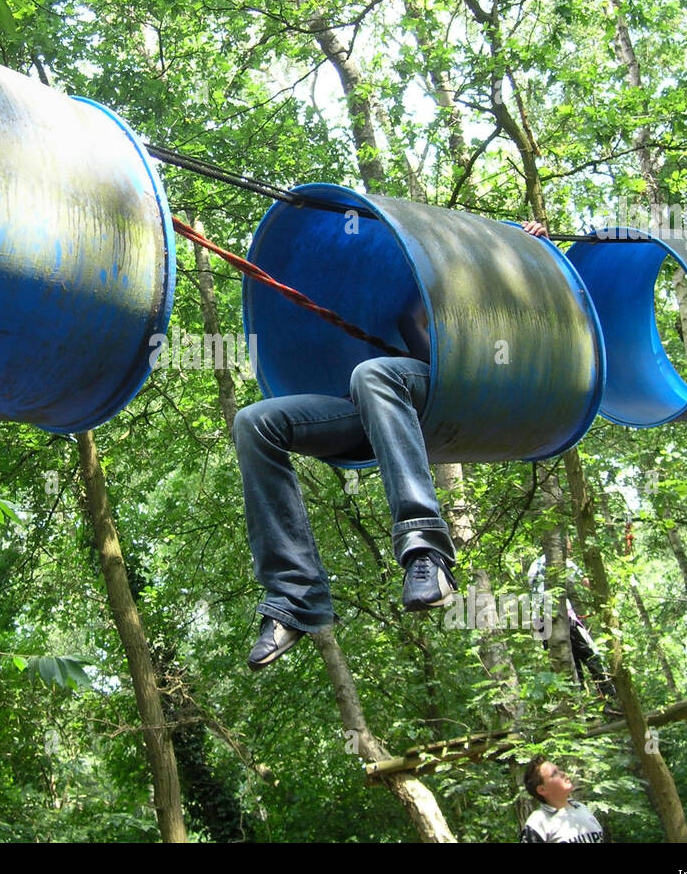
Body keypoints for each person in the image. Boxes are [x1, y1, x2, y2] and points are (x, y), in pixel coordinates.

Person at [233, 219, 548, 670]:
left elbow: (552, 316)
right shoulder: (443, 282)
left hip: (468, 388)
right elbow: (409, 320)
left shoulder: (510, 289)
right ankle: (293, 599)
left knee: (373, 373)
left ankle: (426, 551)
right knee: (255, 421)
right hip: (395, 393)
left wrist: (525, 245)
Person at [518, 755, 606, 843]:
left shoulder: (582, 808)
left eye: (559, 770)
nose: (563, 773)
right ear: (542, 790)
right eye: (554, 774)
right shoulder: (538, 822)